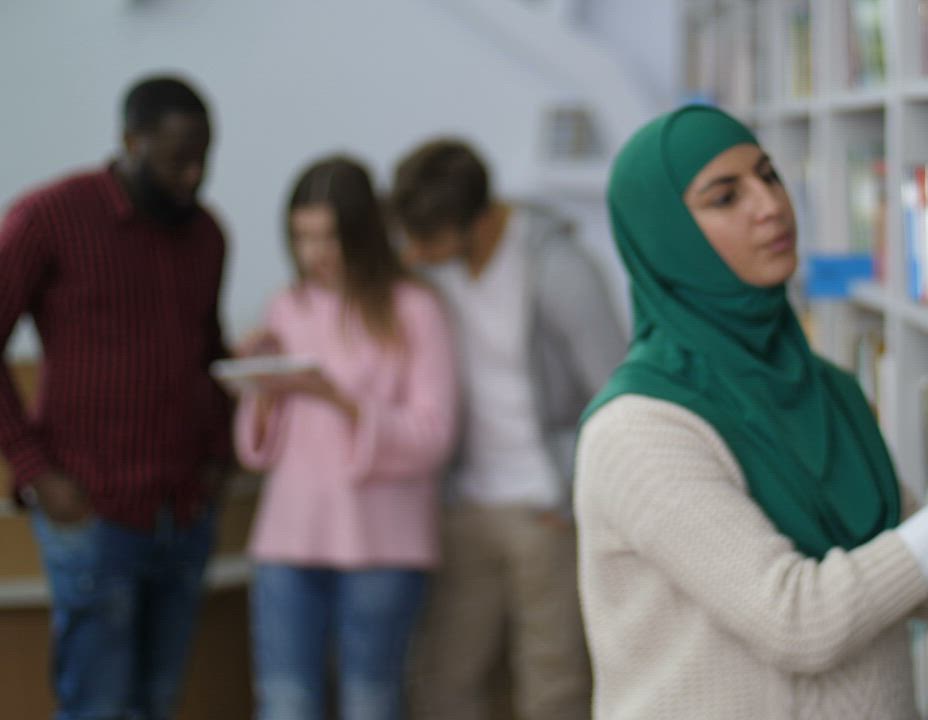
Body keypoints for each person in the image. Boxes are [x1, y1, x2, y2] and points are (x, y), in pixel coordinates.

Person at [574, 105, 928, 719]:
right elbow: (799, 623)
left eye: (768, 175)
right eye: (725, 197)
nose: (769, 205)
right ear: (666, 236)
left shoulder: (825, 391)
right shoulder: (638, 429)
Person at [0, 75, 231, 720]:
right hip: (91, 507)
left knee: (158, 700)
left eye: (204, 159)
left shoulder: (206, 234)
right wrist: (35, 473)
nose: (193, 177)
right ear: (131, 142)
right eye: (177, 160)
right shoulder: (49, 216)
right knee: (96, 705)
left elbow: (209, 348)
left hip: (182, 508)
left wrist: (219, 456)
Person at [390, 139, 626, 720]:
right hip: (467, 504)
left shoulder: (557, 268)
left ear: (474, 222)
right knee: (442, 680)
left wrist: (571, 489)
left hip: (544, 509)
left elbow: (616, 393)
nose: (414, 254)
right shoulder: (436, 271)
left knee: (554, 684)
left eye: (428, 240)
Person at [232, 156, 458, 720]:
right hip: (288, 540)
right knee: (285, 702)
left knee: (370, 701)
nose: (314, 255)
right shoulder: (286, 307)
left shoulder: (415, 308)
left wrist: (338, 397)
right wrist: (261, 384)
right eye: (301, 238)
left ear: (362, 234)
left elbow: (434, 437)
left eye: (329, 238)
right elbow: (259, 447)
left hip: (382, 545)